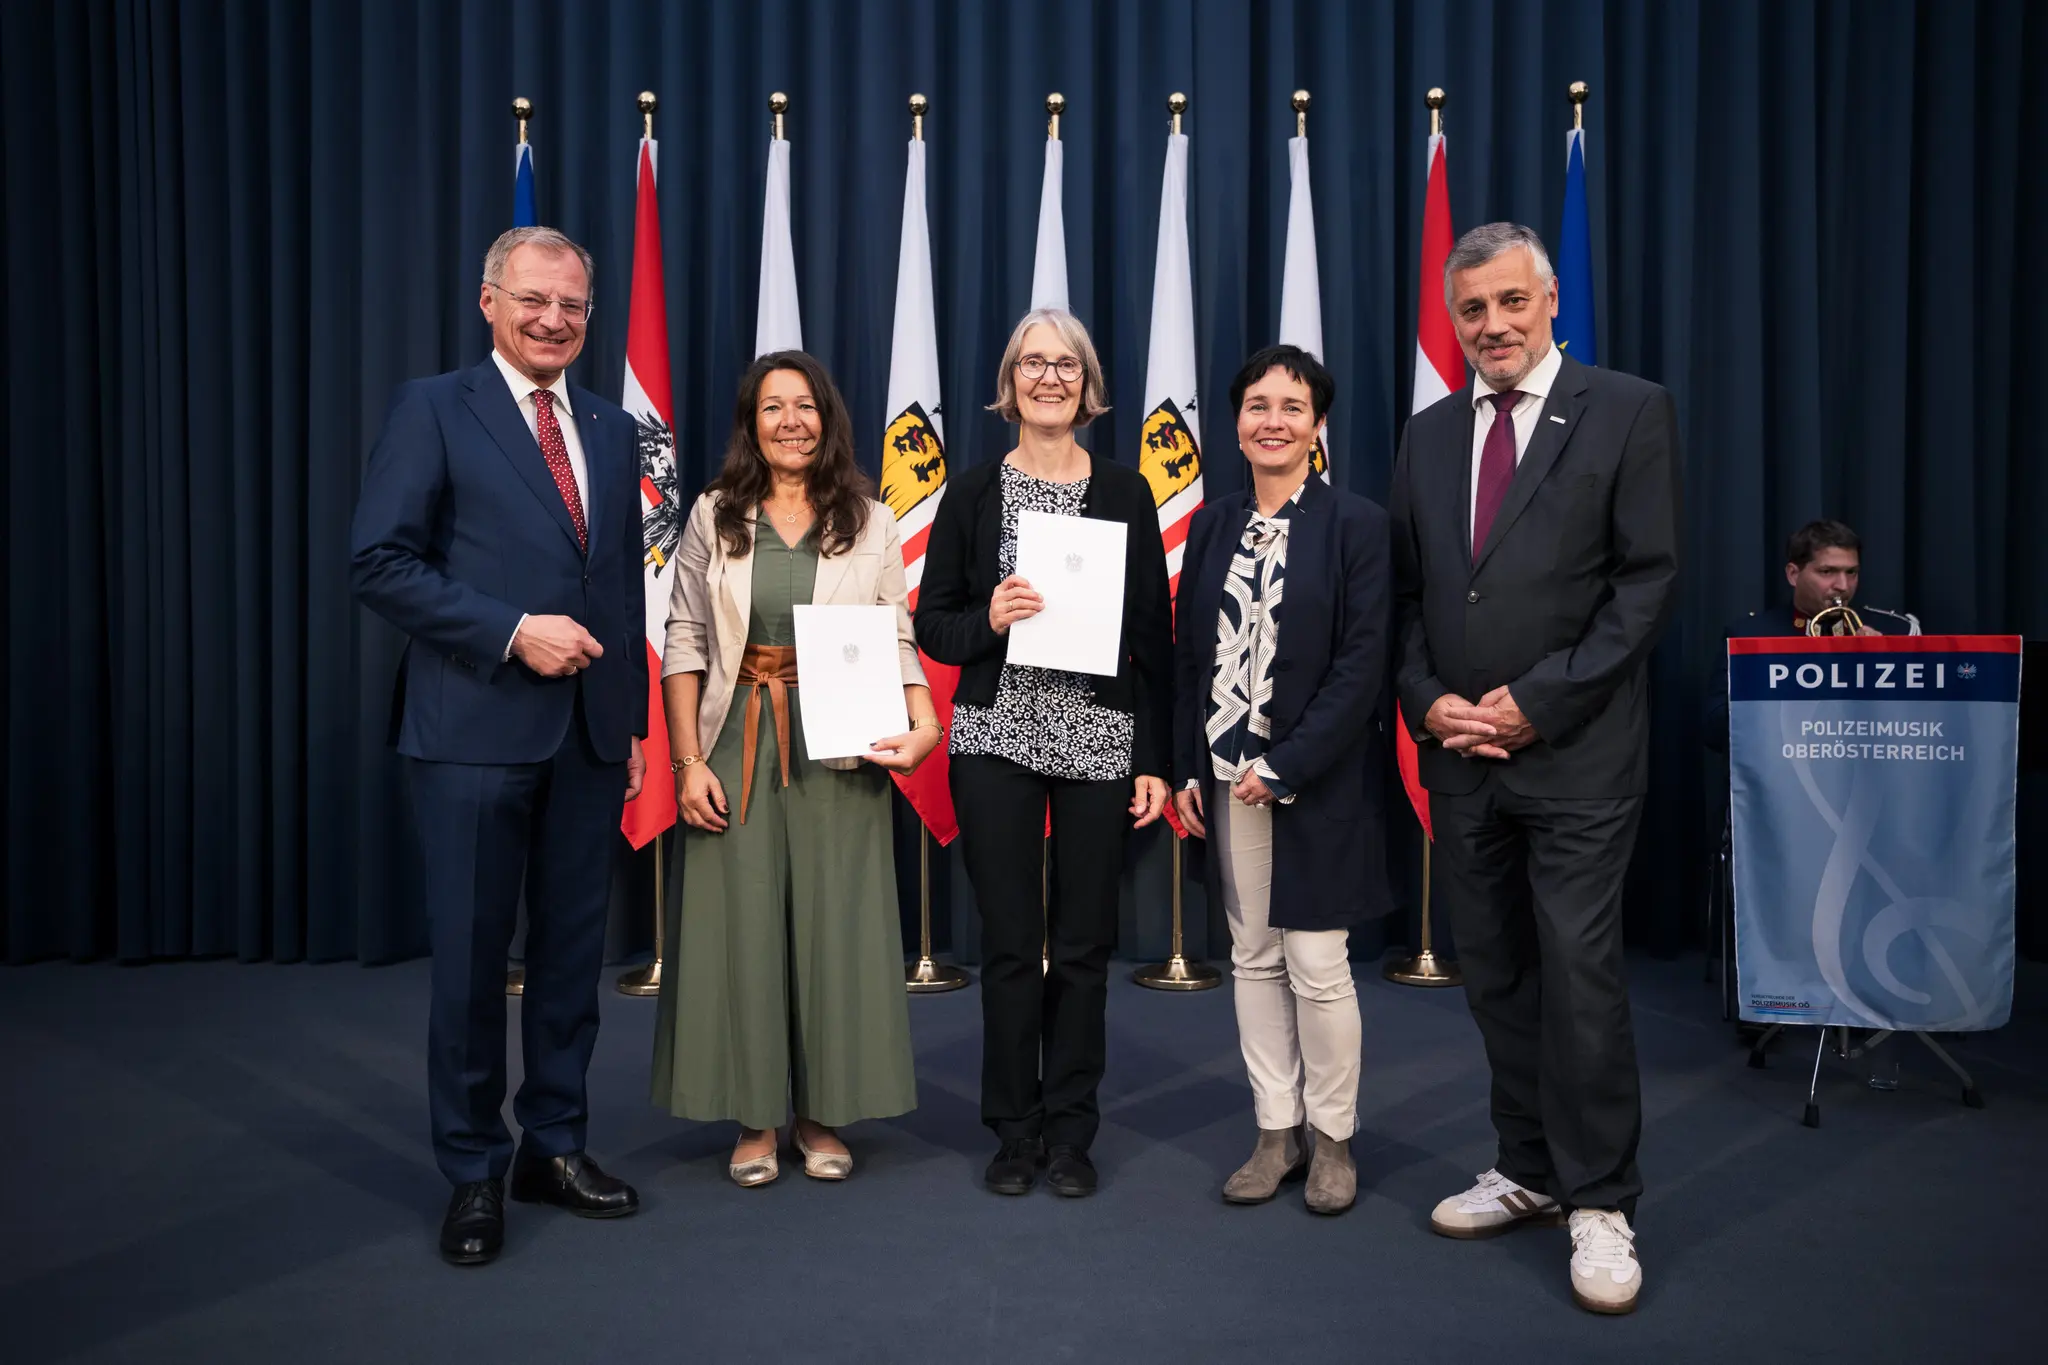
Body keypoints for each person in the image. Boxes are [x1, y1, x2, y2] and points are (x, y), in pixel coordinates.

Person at [1388, 222, 1681, 1314]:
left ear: (1548, 298)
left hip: (1577, 760)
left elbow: (1644, 586)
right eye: (1472, 310)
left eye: (1511, 303)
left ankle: (1601, 1199)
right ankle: (1527, 1166)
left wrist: (1535, 704)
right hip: (1461, 759)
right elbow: (1411, 599)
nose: (1492, 327)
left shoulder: (1625, 409)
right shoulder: (1423, 435)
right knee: (1498, 971)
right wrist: (1432, 704)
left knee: (1578, 975)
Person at [351, 226, 646, 1266]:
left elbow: (619, 585)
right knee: (475, 966)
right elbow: (379, 563)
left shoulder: (612, 430)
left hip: (590, 738)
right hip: (471, 727)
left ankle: (552, 1147)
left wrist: (637, 725)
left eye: (570, 305)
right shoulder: (432, 408)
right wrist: (510, 631)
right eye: (532, 300)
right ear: (489, 302)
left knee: (572, 960)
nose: (553, 319)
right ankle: (473, 1169)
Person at [651, 351, 936, 1185]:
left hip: (839, 736)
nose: (791, 421)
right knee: (739, 921)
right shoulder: (713, 513)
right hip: (735, 734)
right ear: (751, 422)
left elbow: (897, 636)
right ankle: (754, 1115)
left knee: (831, 922)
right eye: (773, 407)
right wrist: (687, 759)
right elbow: (685, 639)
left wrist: (922, 723)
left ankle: (821, 1111)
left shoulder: (873, 520)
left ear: (828, 418)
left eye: (805, 406)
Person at [914, 308, 1173, 1199]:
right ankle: (1012, 1129)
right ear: (1011, 380)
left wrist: (1156, 757)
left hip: (1099, 735)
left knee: (1086, 942)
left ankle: (1072, 1130)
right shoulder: (975, 489)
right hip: (995, 737)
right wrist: (987, 617)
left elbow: (1153, 637)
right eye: (1033, 363)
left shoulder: (1126, 490)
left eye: (1067, 365)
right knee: (1014, 944)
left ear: (1089, 384)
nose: (1050, 378)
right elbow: (933, 624)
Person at [1170, 345, 1391, 1215]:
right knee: (1252, 959)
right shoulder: (1210, 523)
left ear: (1317, 425)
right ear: (1236, 422)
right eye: (1258, 404)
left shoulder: (1358, 525)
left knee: (1316, 963)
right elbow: (1192, 654)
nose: (1273, 419)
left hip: (1316, 781)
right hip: (1225, 782)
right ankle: (1276, 1130)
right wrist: (1196, 764)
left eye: (1292, 407)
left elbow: (1362, 664)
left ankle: (1334, 1137)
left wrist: (1285, 762)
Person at [1706, 520, 1908, 752]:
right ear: (1793, 574)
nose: (1843, 585)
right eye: (1827, 571)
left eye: (1851, 572)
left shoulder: (1896, 631)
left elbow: (1921, 725)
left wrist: (1887, 667)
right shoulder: (1750, 636)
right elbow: (1715, 730)